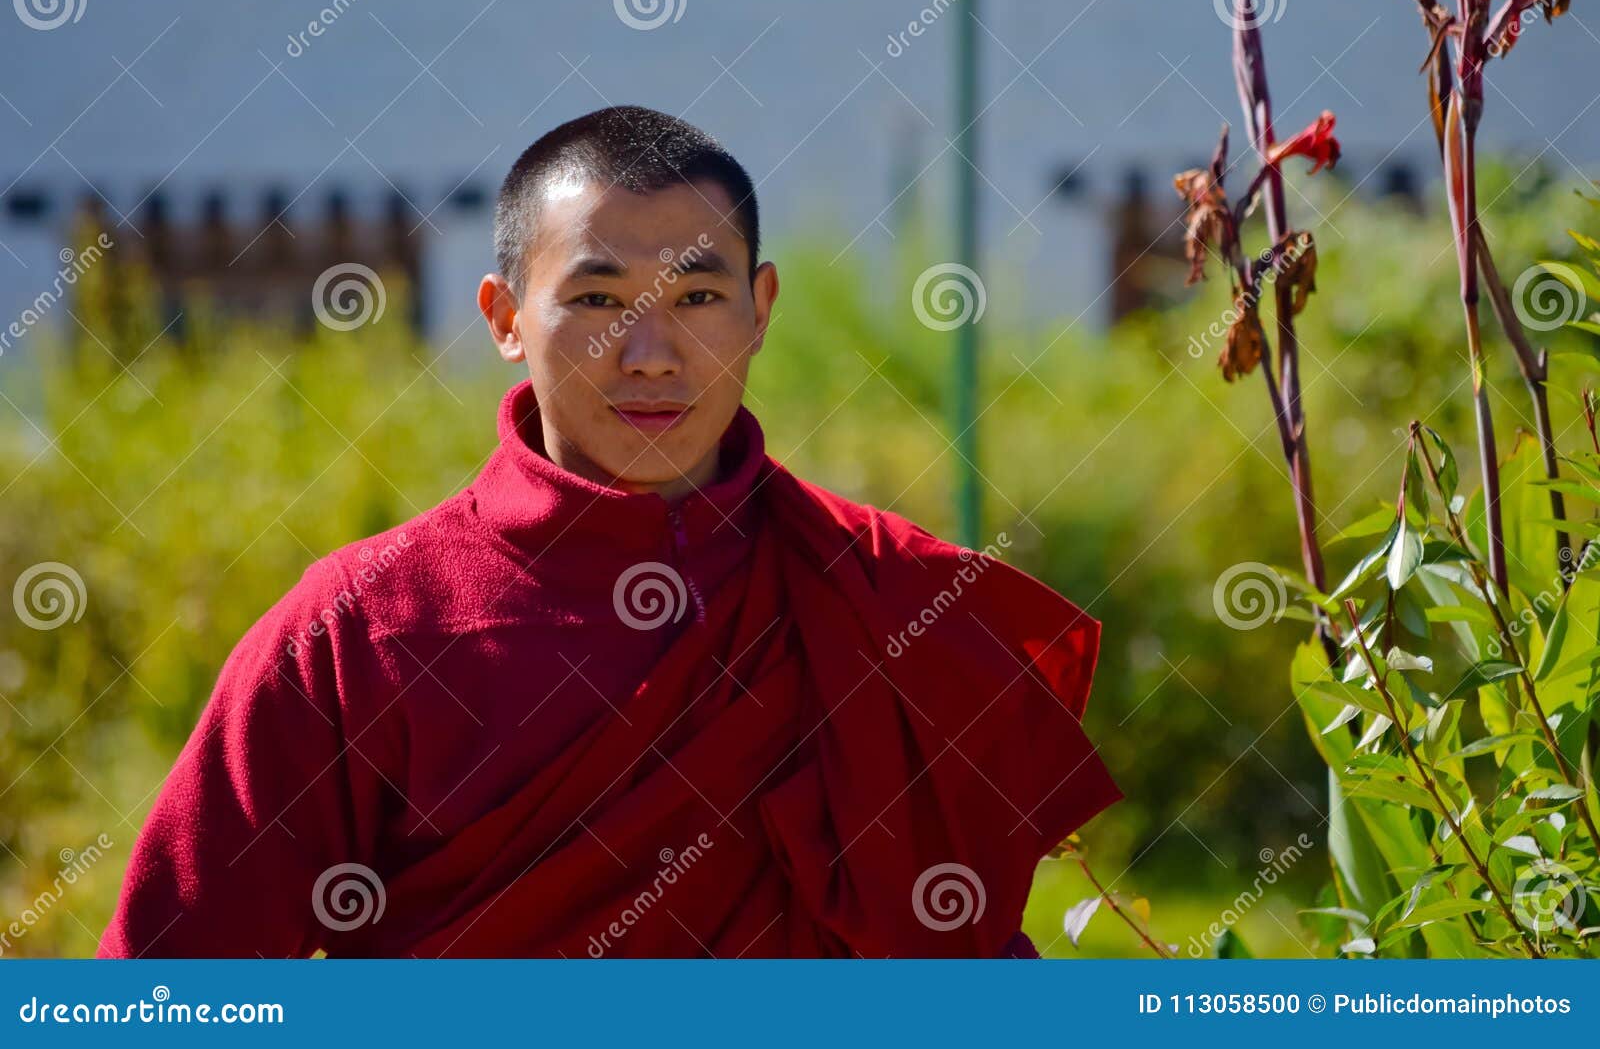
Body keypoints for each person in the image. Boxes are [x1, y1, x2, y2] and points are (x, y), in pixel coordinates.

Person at [99, 105, 1120, 958]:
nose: (648, 352)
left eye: (697, 296)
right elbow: (169, 986)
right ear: (503, 315)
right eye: (595, 298)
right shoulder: (360, 630)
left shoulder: (883, 595)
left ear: (759, 310)